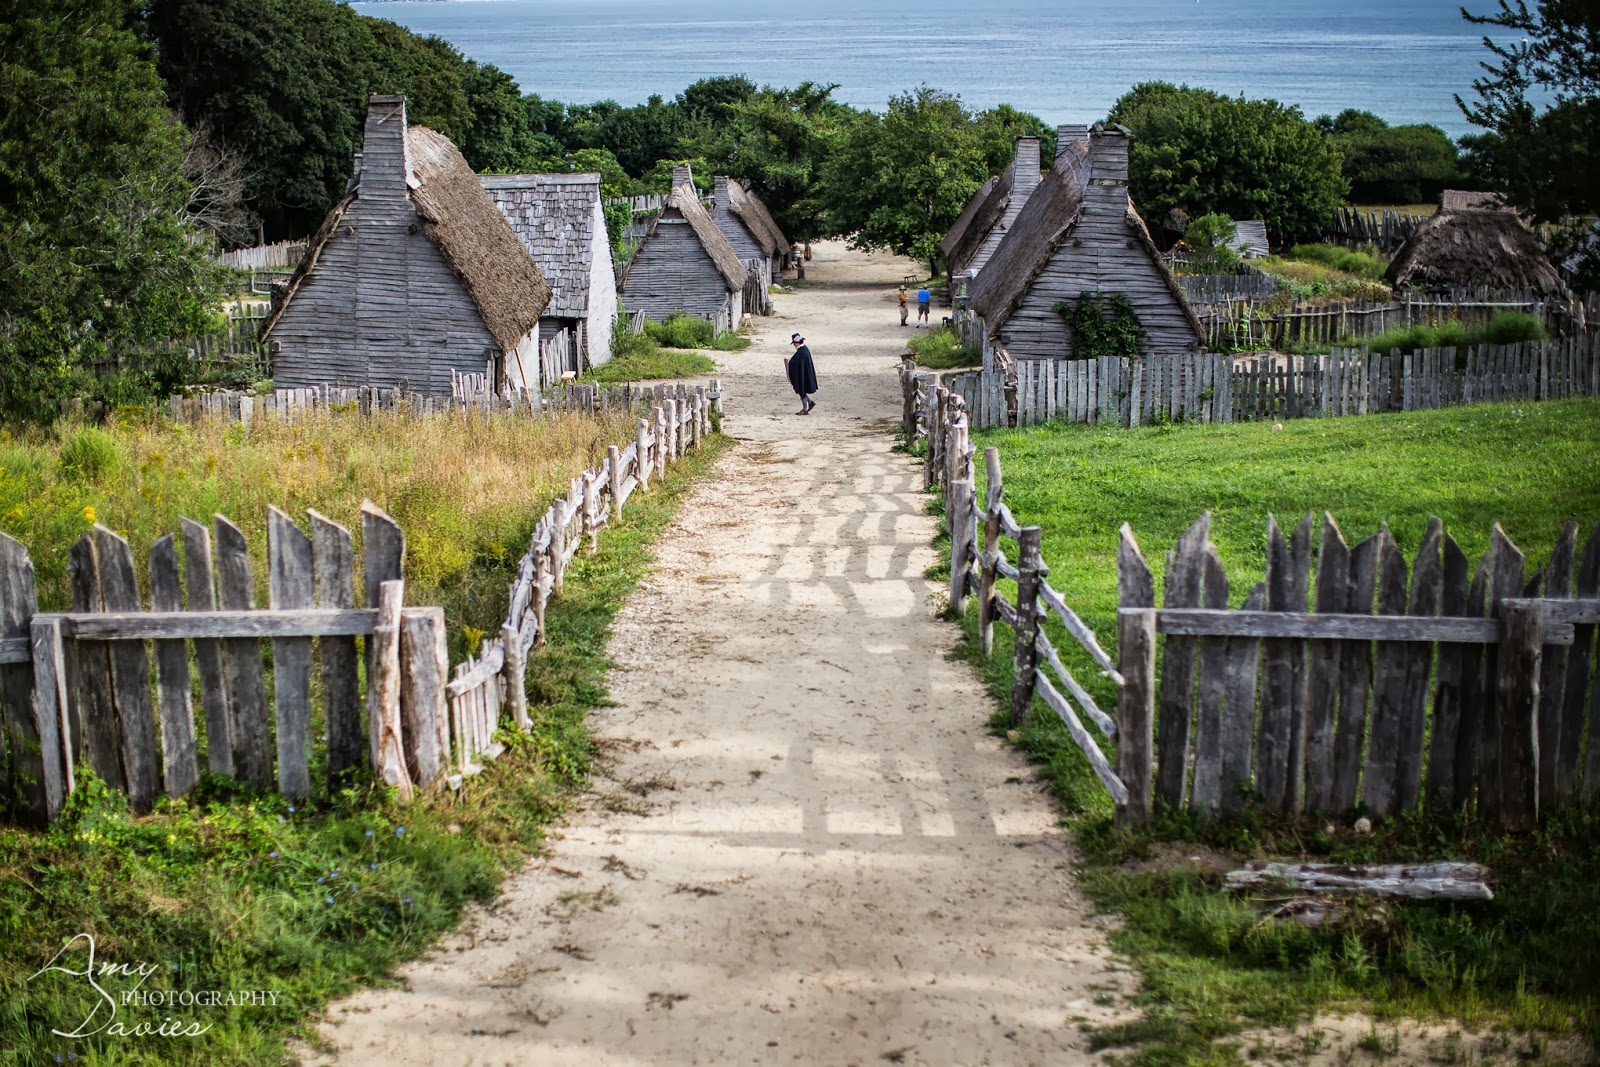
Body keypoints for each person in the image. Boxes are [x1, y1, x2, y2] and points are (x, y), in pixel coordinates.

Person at [786, 332, 817, 414]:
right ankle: (810, 402)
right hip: (803, 373)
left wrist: (789, 363)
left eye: (794, 343)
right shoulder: (804, 349)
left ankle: (805, 409)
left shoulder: (802, 352)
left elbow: (795, 362)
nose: (794, 345)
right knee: (801, 390)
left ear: (797, 342)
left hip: (802, 374)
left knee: (801, 390)